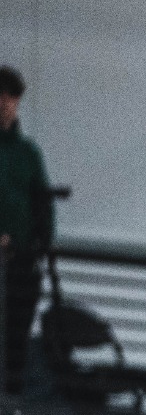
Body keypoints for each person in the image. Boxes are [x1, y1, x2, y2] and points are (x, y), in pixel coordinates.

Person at [0, 67, 53, 394]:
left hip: (20, 265)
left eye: (9, 96)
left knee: (16, 340)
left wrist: (38, 250)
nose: (3, 103)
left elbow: (43, 208)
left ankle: (11, 412)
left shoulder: (29, 153)